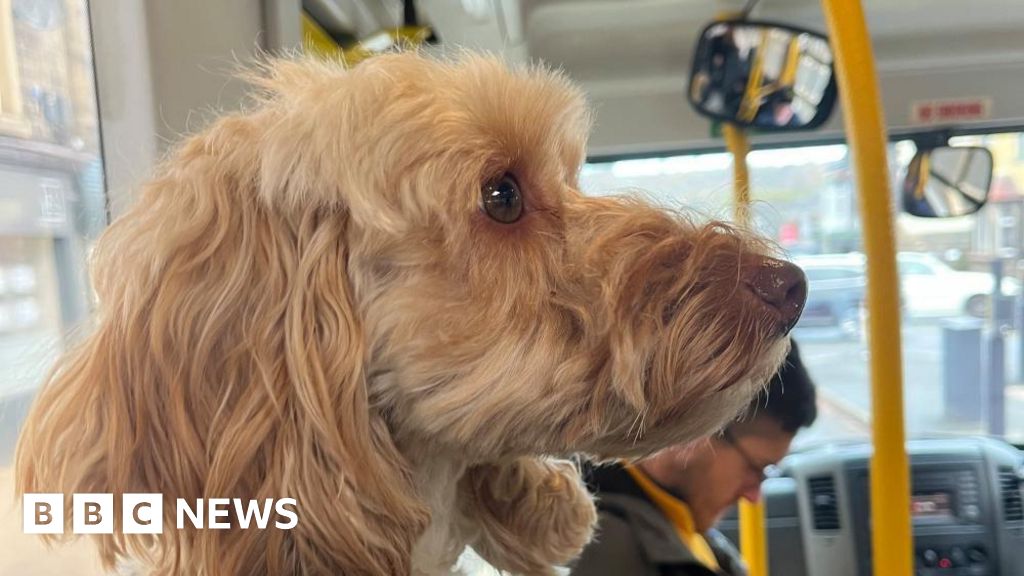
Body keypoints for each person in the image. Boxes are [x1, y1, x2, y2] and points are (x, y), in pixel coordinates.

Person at [572, 341, 818, 576]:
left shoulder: (675, 518)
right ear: (699, 426)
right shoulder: (601, 547)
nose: (753, 496)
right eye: (756, 468)